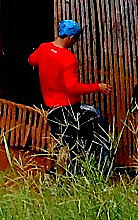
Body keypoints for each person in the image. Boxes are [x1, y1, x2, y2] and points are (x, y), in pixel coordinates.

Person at [28, 19, 113, 173]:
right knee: (94, 123)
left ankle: (50, 172)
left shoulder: (43, 48)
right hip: (68, 108)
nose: (75, 42)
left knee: (58, 139)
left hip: (50, 106)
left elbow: (32, 61)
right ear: (71, 38)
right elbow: (72, 87)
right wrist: (98, 87)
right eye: (76, 39)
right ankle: (88, 169)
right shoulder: (68, 58)